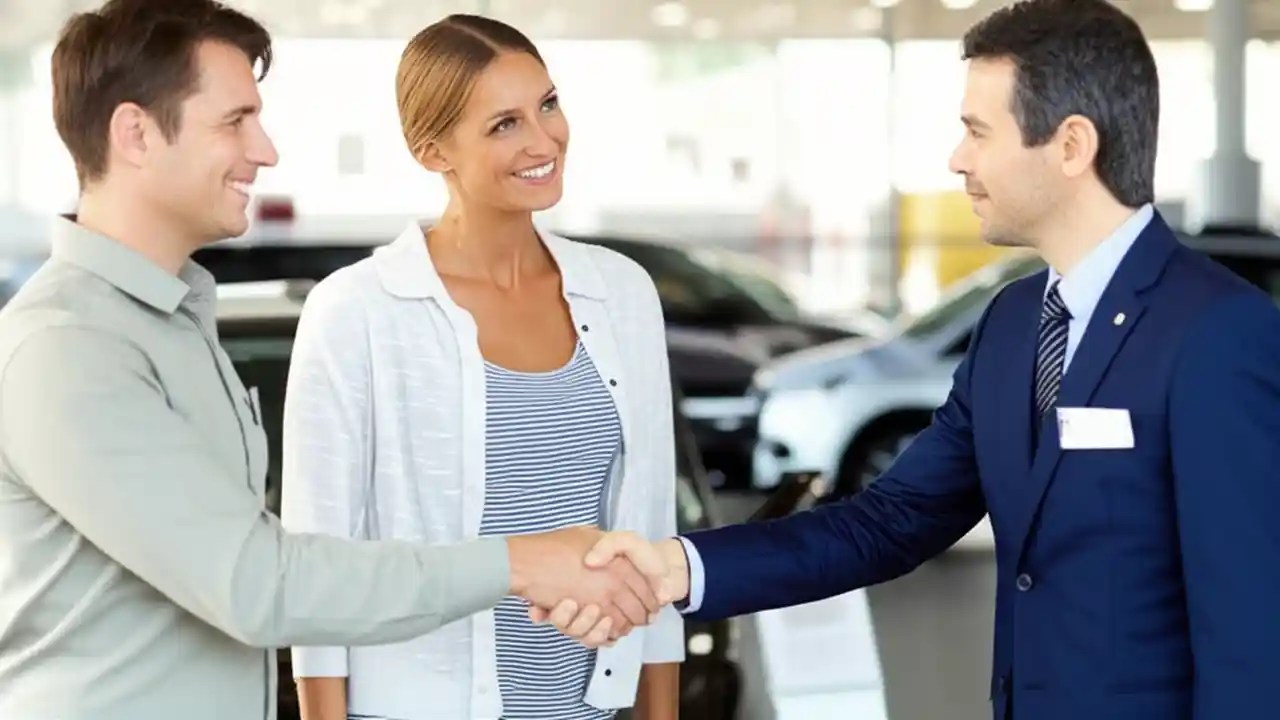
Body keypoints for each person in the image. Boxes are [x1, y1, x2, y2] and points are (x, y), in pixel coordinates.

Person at [554, 1, 1280, 719]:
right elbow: (891, 520)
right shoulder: (1014, 322)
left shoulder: (1218, 333)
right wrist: (681, 566)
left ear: (1070, 145)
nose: (957, 159)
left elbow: (1252, 637)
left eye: (977, 131)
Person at [0, 2, 668, 719]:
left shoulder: (174, 323)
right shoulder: (66, 347)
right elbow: (262, 586)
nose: (266, 150)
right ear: (135, 134)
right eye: (235, 121)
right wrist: (525, 561)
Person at [279, 13, 683, 720]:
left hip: (588, 707)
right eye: (504, 125)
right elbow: (317, 573)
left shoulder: (622, 294)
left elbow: (649, 532)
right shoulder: (357, 311)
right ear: (433, 151)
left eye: (548, 105)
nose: (544, 140)